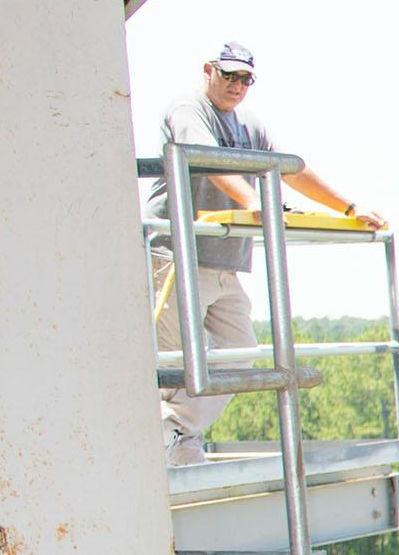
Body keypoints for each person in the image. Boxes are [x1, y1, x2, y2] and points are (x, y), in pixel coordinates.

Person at [146, 41, 386, 465]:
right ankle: (171, 445)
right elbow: (212, 162)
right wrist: (253, 203)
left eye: (246, 79)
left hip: (225, 262)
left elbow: (291, 169)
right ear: (209, 70)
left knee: (241, 356)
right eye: (229, 75)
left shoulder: (248, 125)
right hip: (177, 257)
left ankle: (177, 433)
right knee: (181, 362)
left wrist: (349, 208)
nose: (237, 85)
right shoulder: (189, 109)